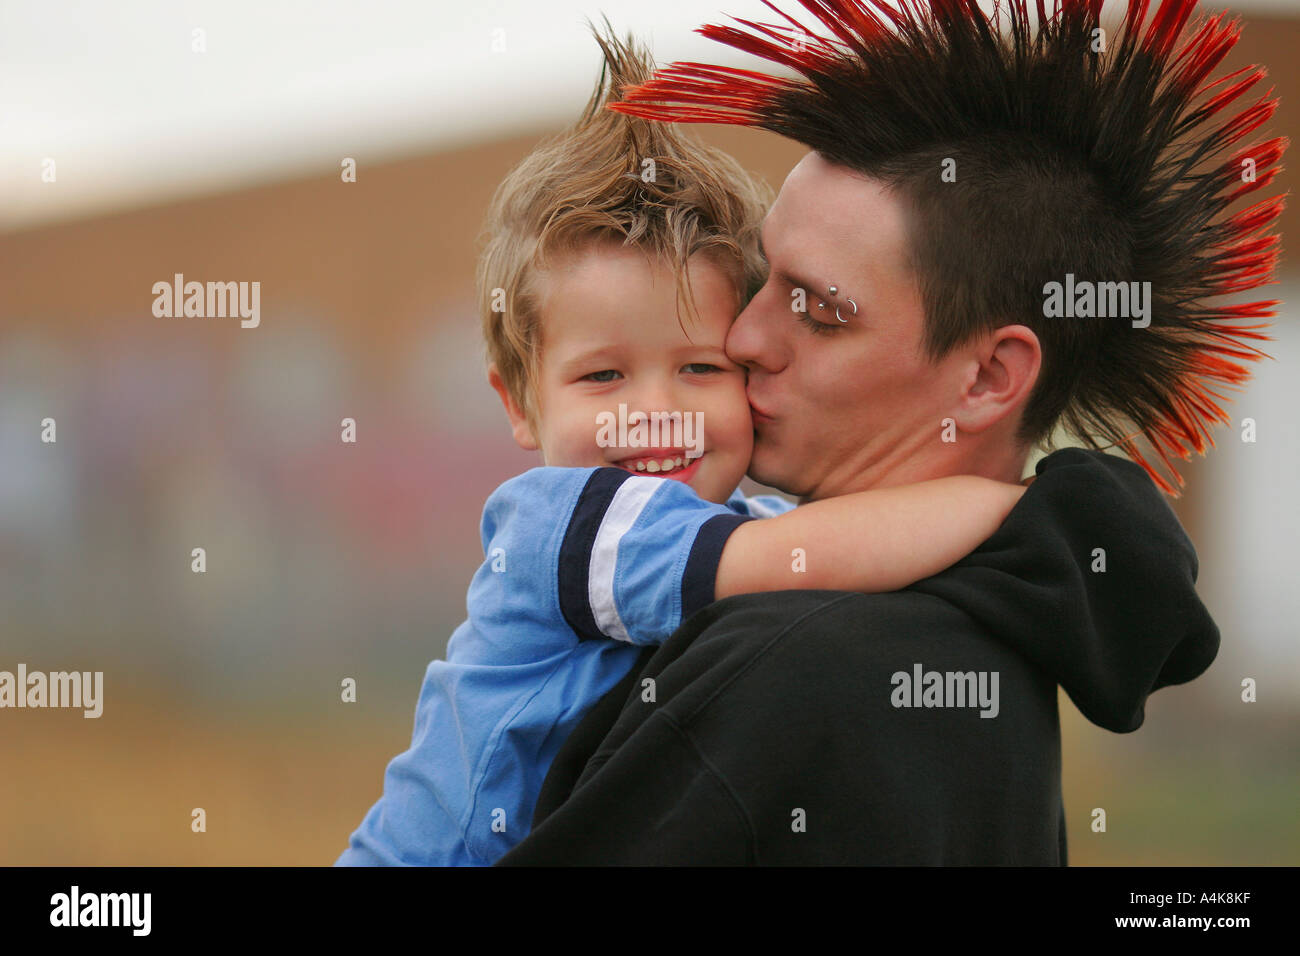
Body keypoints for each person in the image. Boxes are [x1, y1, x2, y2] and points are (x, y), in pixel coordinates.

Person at [496, 0, 1284, 864]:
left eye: (819, 312)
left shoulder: (793, 670)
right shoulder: (996, 629)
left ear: (987, 378)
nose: (745, 339)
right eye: (762, 282)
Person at [336, 27, 1027, 867]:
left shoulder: (752, 520)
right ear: (518, 403)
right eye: (602, 378)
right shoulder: (565, 527)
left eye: (699, 366)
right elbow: (803, 558)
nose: (655, 412)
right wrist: (1016, 507)